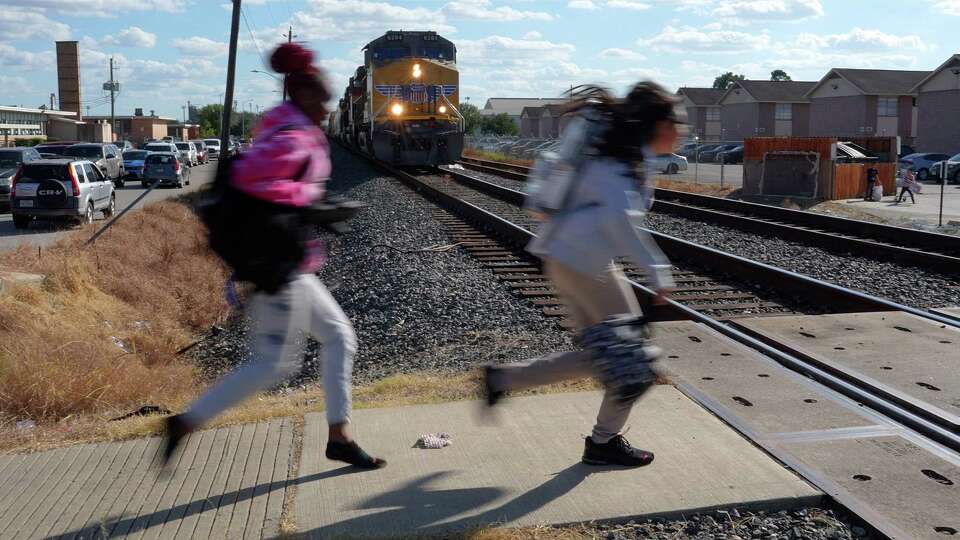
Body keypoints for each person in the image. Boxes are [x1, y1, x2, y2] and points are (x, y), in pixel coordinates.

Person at [161, 43, 384, 470]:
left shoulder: (288, 129)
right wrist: (312, 205)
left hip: (291, 263)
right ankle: (184, 423)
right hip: (276, 267)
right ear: (302, 96)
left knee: (339, 336)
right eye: (322, 100)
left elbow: (277, 185)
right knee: (272, 365)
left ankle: (339, 436)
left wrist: (314, 204)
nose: (326, 109)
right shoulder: (292, 136)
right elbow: (250, 178)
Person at [483, 82, 680, 467]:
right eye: (677, 120)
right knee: (633, 363)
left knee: (603, 355)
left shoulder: (620, 157)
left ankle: (503, 380)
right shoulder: (620, 165)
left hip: (568, 260)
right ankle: (603, 441)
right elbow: (620, 220)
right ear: (657, 125)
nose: (683, 129)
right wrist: (658, 273)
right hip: (587, 264)